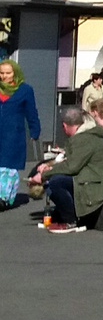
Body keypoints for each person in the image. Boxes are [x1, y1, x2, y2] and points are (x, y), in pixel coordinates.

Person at [28, 106, 103, 233]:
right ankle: (62, 215)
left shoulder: (83, 139)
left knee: (55, 182)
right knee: (58, 178)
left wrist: (43, 175)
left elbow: (72, 167)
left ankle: (70, 220)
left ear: (65, 126)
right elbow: (73, 162)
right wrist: (50, 168)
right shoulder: (88, 133)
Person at [0, 59, 42, 210]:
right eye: (1, 73)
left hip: (13, 135)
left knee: (8, 168)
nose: (4, 76)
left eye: (8, 73)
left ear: (15, 73)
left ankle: (4, 198)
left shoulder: (25, 90)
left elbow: (31, 112)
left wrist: (35, 130)